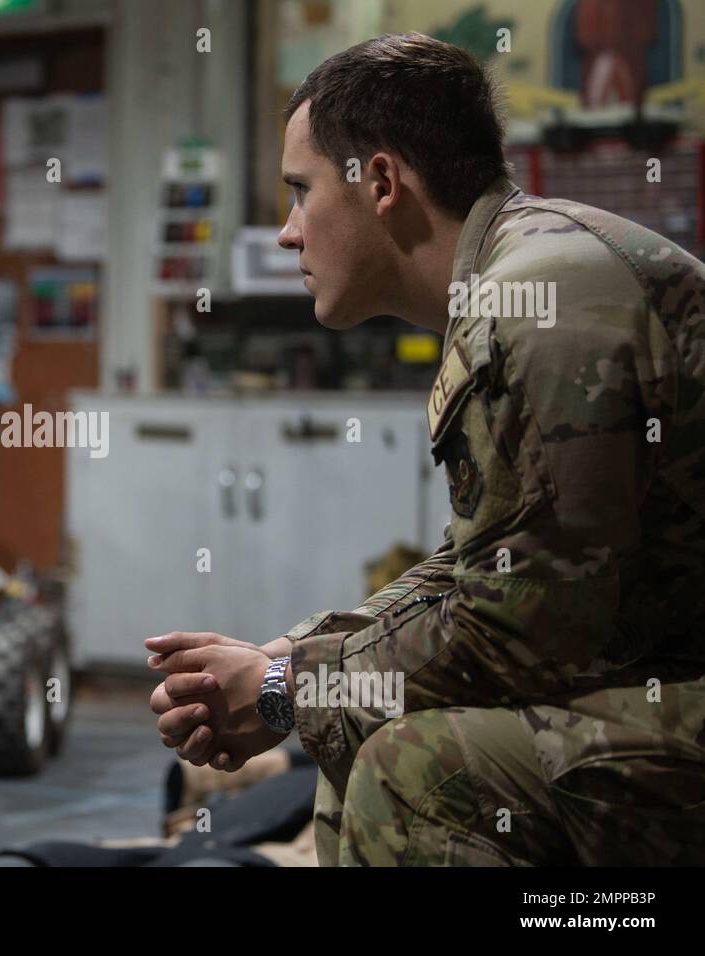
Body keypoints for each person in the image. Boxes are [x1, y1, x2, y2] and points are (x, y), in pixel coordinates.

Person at [146, 33, 705, 865]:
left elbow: (528, 630)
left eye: (300, 194)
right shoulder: (522, 271)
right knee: (370, 726)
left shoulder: (533, 304)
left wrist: (280, 694)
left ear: (379, 182)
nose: (288, 234)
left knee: (415, 769)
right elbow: (480, 569)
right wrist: (294, 657)